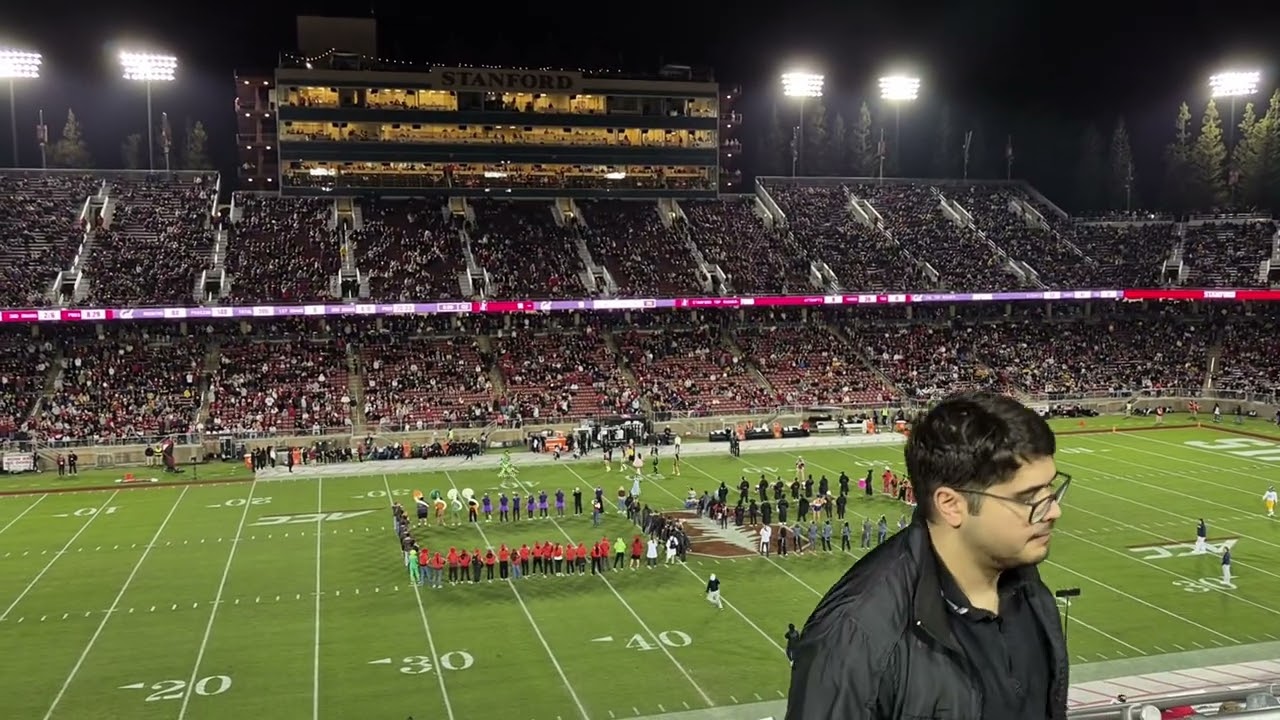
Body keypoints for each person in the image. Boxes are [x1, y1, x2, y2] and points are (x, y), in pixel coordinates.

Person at [787, 391, 1071, 720]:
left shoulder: (1028, 587)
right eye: (1028, 499)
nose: (1054, 511)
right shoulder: (854, 637)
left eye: (1051, 490)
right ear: (951, 505)